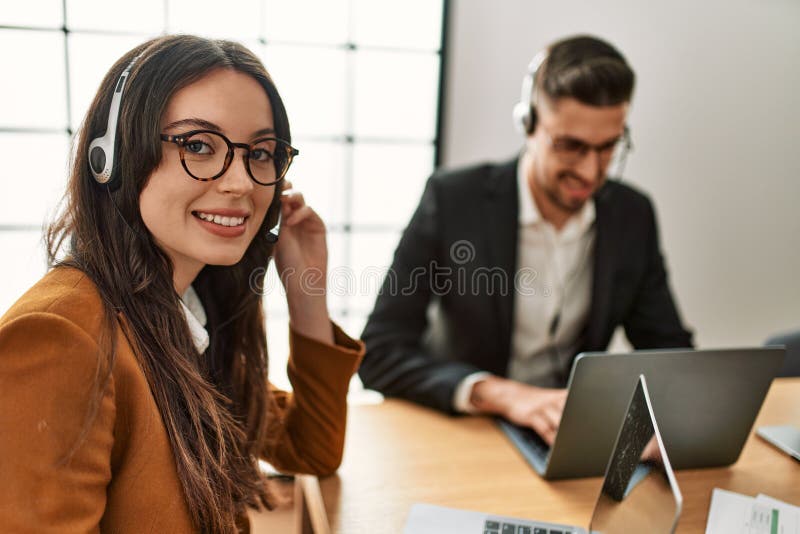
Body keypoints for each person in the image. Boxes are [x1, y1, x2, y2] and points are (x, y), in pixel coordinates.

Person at [0, 35, 363, 533]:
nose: (240, 183)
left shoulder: (189, 306)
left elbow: (312, 449)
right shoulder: (62, 337)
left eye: (260, 153)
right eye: (198, 145)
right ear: (116, 158)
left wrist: (306, 288)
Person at [359, 35, 692, 447]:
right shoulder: (453, 201)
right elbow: (377, 352)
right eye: (571, 147)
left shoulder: (632, 215)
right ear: (528, 124)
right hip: (464, 433)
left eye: (608, 148)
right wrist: (502, 395)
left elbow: (668, 350)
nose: (590, 172)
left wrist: (666, 417)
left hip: (566, 439)